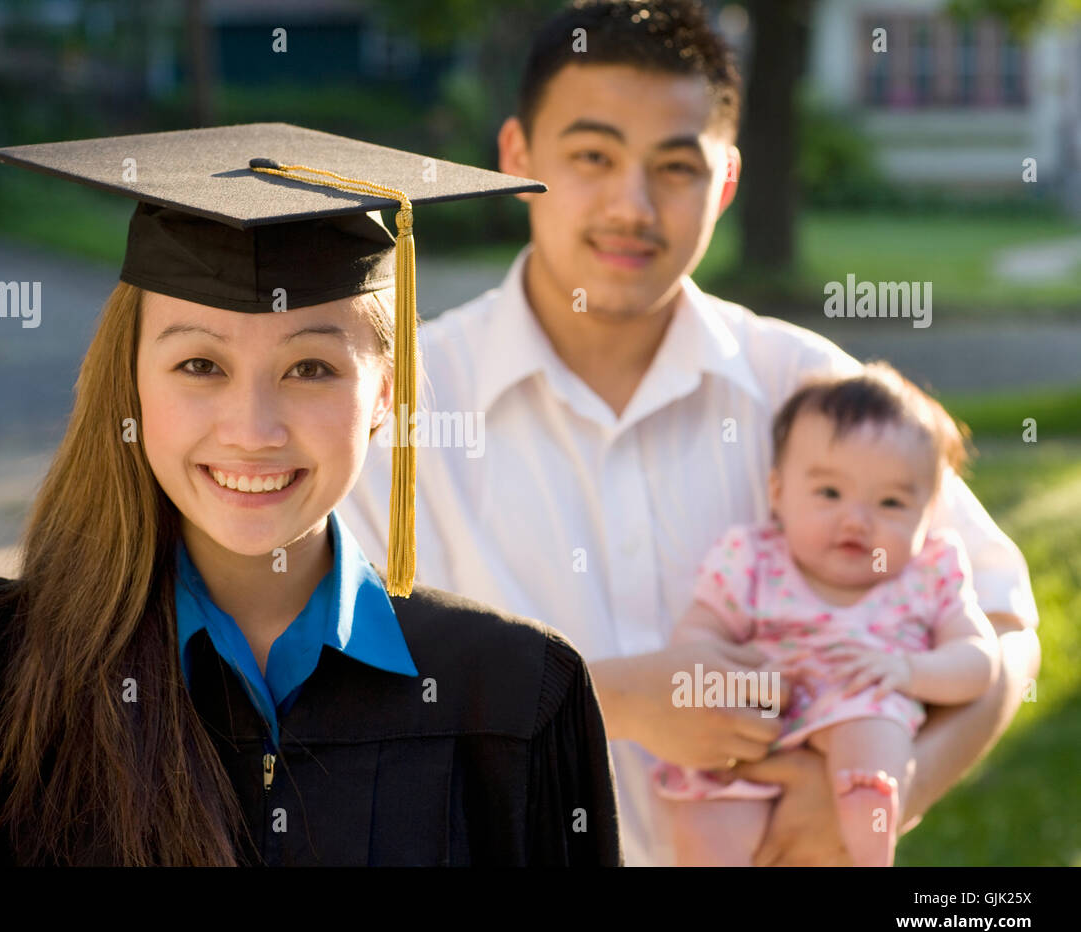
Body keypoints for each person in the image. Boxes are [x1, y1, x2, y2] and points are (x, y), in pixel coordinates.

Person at [0, 124, 622, 866]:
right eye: (199, 365)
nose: (252, 429)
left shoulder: (509, 698)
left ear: (387, 399)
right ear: (131, 387)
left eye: (310, 368)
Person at [340, 0, 1041, 866]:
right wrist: (607, 699)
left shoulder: (809, 389)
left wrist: (893, 794)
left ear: (728, 180)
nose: (631, 205)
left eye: (675, 166)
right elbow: (327, 712)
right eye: (592, 156)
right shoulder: (396, 412)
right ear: (518, 157)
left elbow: (1008, 626)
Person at [653, 363, 1000, 867]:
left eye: (890, 502)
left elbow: (978, 658)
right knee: (708, 816)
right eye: (829, 493)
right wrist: (733, 680)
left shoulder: (929, 572)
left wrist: (909, 672)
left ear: (929, 512)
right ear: (778, 494)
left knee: (874, 729)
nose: (856, 520)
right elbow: (695, 636)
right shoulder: (752, 559)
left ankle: (867, 845)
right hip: (756, 723)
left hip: (860, 701)